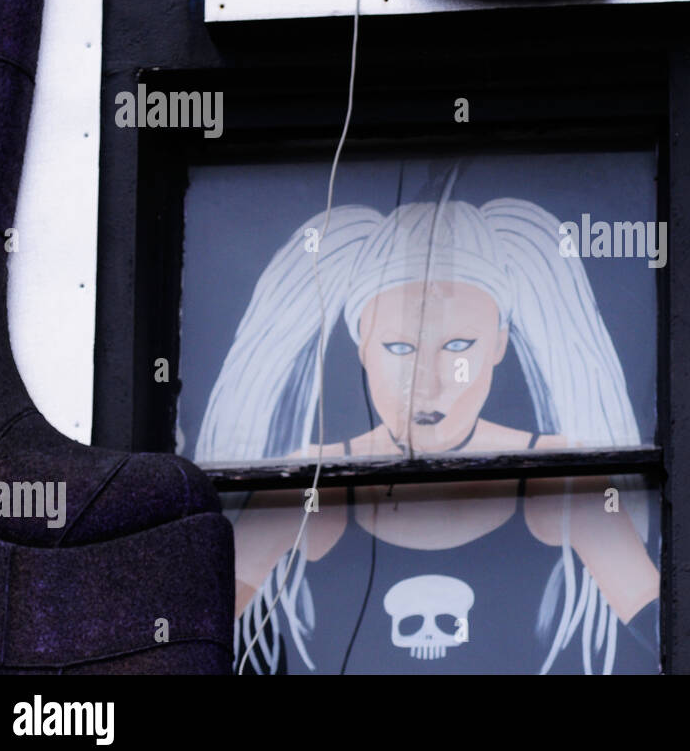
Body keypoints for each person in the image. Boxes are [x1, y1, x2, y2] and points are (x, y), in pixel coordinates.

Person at [195, 192, 659, 673]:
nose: (428, 382)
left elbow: (668, 629)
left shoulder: (564, 480)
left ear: (499, 342)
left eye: (458, 346)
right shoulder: (304, 485)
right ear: (361, 346)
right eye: (398, 348)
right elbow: (191, 637)